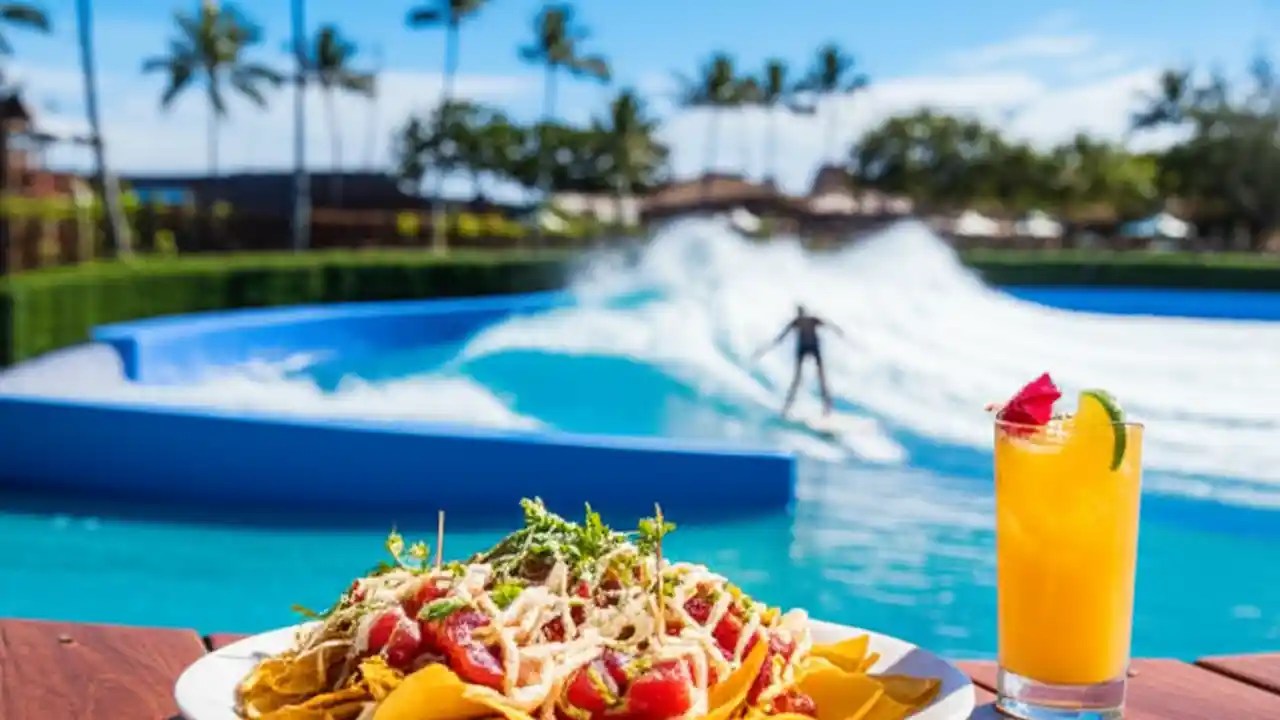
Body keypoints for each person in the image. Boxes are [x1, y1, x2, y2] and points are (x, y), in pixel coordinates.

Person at [753, 304, 844, 418]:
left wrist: (839, 331)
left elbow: (828, 325)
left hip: (808, 348)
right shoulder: (804, 320)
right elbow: (780, 338)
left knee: (810, 379)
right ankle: (789, 409)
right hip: (808, 348)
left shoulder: (804, 320)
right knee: (803, 379)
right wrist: (839, 331)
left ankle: (822, 410)